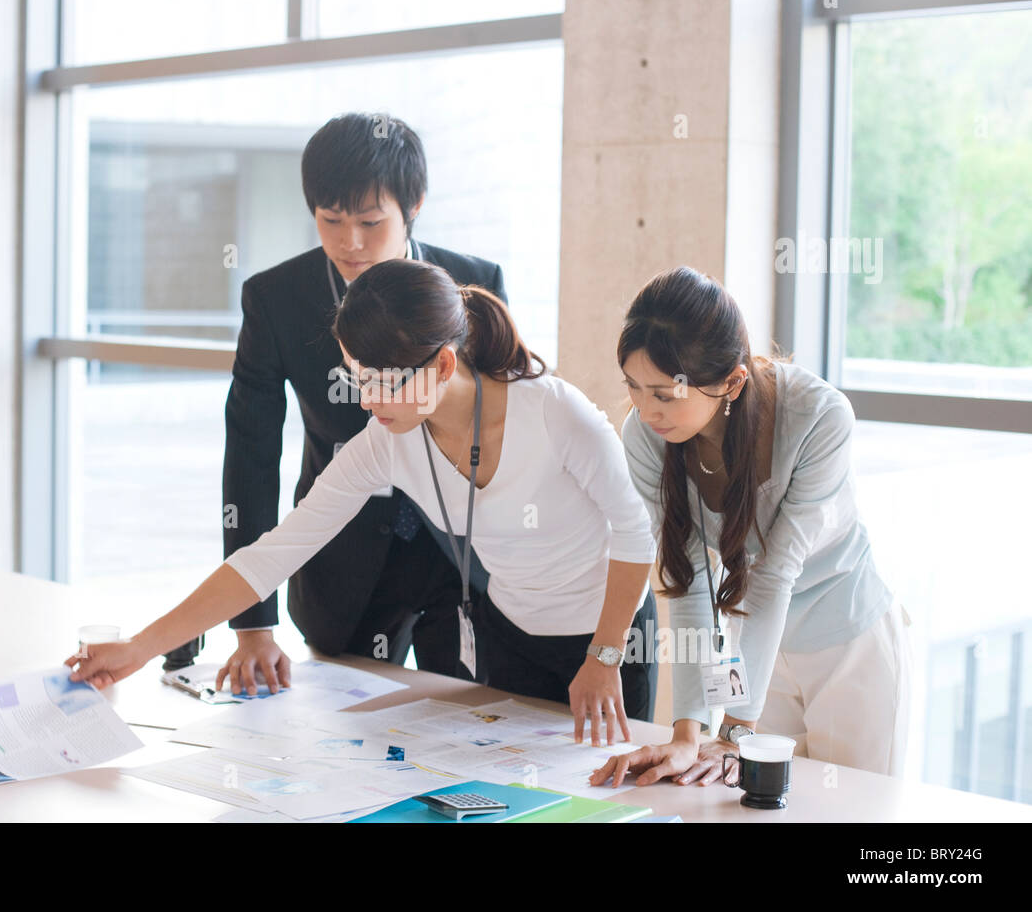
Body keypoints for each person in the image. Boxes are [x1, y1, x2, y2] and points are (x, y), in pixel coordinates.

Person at [67, 260, 659, 744]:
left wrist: (604, 658)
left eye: (382, 382)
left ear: (443, 363)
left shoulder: (556, 413)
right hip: (511, 633)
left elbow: (635, 533)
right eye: (358, 379)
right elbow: (273, 554)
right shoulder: (387, 440)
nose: (369, 401)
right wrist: (142, 648)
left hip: (609, 634)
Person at [216, 112, 509, 694]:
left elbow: (505, 420)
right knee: (343, 735)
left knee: (467, 724)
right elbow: (251, 454)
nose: (349, 242)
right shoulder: (277, 298)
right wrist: (252, 621)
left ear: (415, 204)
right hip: (340, 555)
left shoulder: (474, 284)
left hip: (458, 555)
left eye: (371, 222)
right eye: (331, 220)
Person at [591, 266, 912, 790]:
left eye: (665, 394)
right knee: (754, 804)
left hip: (849, 645)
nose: (646, 411)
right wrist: (687, 731)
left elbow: (775, 571)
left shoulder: (819, 416)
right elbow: (688, 580)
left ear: (732, 382)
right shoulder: (646, 435)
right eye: (634, 388)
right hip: (755, 646)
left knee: (853, 807)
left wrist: (737, 731)